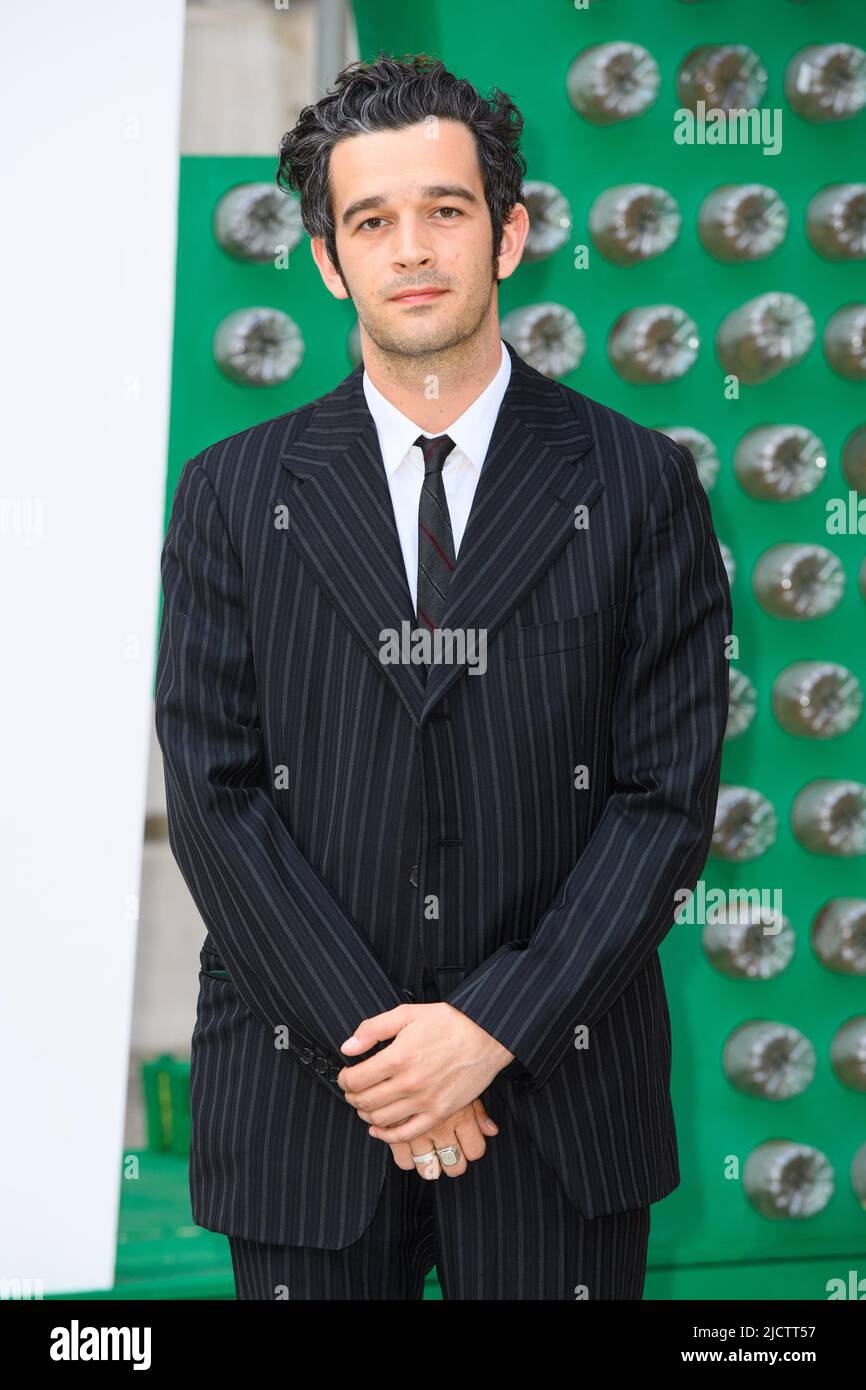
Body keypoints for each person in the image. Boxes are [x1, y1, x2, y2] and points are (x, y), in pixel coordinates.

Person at [155, 52, 731, 1301]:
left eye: (445, 209)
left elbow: (659, 802)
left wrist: (489, 1029)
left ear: (510, 233)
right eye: (370, 219)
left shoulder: (637, 485)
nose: (409, 247)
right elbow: (217, 797)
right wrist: (387, 1060)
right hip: (310, 1103)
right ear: (325, 260)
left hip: (557, 1102)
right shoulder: (233, 494)